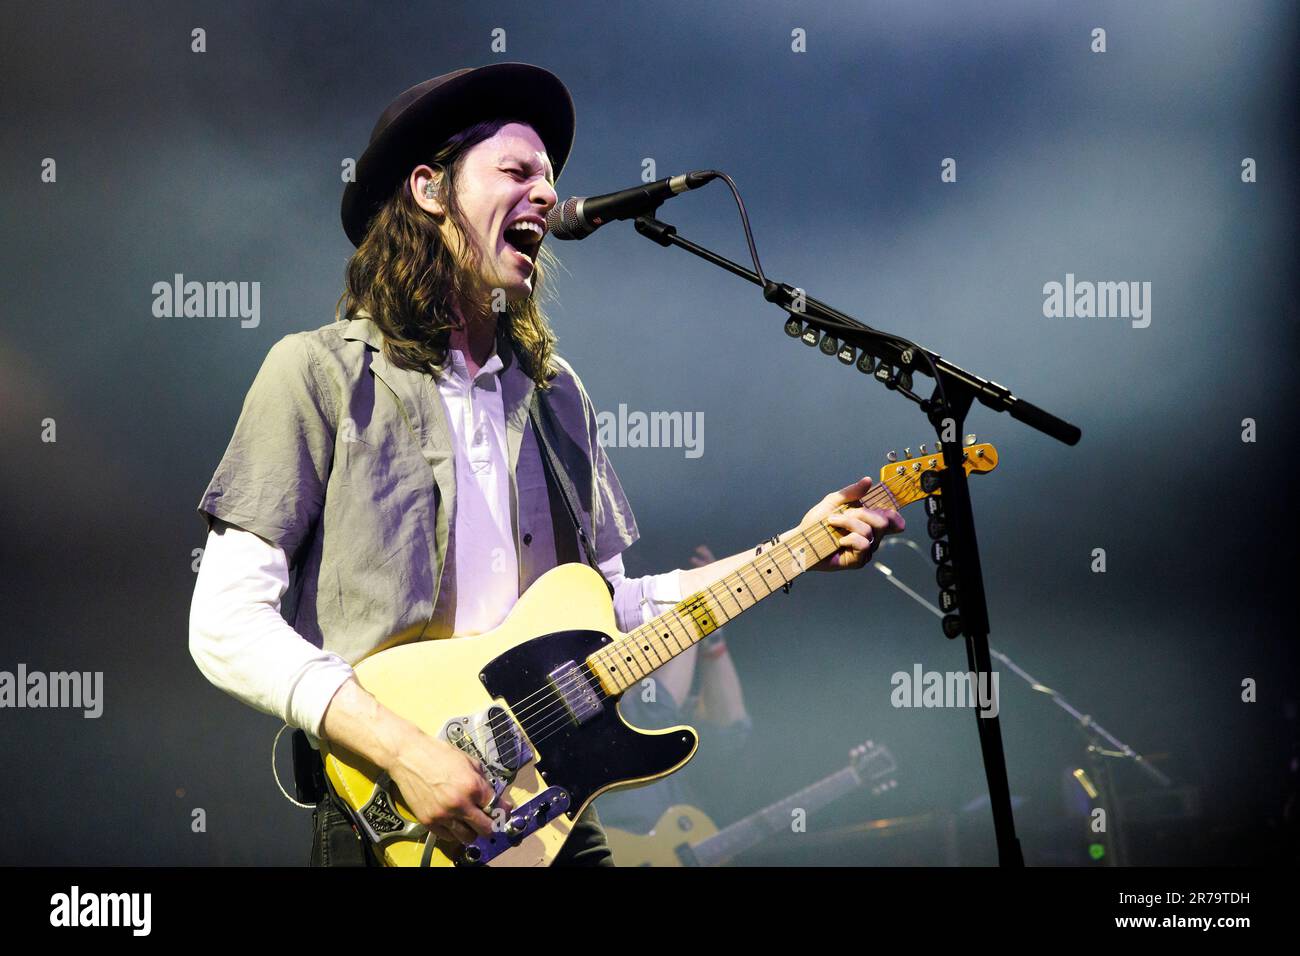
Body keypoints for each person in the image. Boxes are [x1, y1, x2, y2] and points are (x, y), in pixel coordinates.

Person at [188, 62, 904, 867]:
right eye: (517, 171)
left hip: (551, 809)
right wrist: (405, 752)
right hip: (392, 817)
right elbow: (225, 624)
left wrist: (794, 549)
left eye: (551, 178)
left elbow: (616, 609)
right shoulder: (317, 375)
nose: (546, 194)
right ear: (428, 190)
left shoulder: (557, 397)